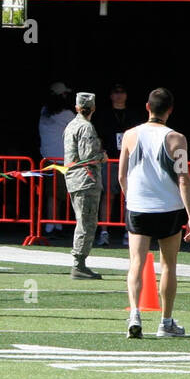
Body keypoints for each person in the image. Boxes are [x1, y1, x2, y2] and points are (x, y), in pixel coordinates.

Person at [119, 87, 190, 338]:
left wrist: (131, 197)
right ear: (170, 110)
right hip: (169, 209)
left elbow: (121, 174)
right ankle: (166, 321)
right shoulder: (177, 139)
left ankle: (134, 314)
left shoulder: (130, 135)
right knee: (169, 265)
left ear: (147, 107)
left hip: (139, 206)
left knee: (136, 264)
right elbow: (183, 178)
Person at [63, 91, 105, 278]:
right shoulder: (86, 127)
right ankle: (79, 263)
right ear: (94, 108)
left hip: (74, 179)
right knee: (87, 223)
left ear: (77, 108)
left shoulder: (71, 125)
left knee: (83, 220)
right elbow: (88, 155)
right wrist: (102, 156)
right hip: (86, 180)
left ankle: (79, 262)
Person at [95, 82, 135, 246]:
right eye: (115, 92)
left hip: (130, 160)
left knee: (130, 197)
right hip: (110, 159)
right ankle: (104, 232)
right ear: (111, 96)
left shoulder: (133, 115)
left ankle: (129, 232)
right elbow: (97, 137)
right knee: (107, 196)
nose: (119, 95)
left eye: (122, 91)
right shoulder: (104, 115)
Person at [38, 81, 73, 235]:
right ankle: (52, 225)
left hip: (46, 158)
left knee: (52, 194)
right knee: (55, 194)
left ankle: (54, 223)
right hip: (60, 160)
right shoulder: (67, 114)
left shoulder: (44, 111)